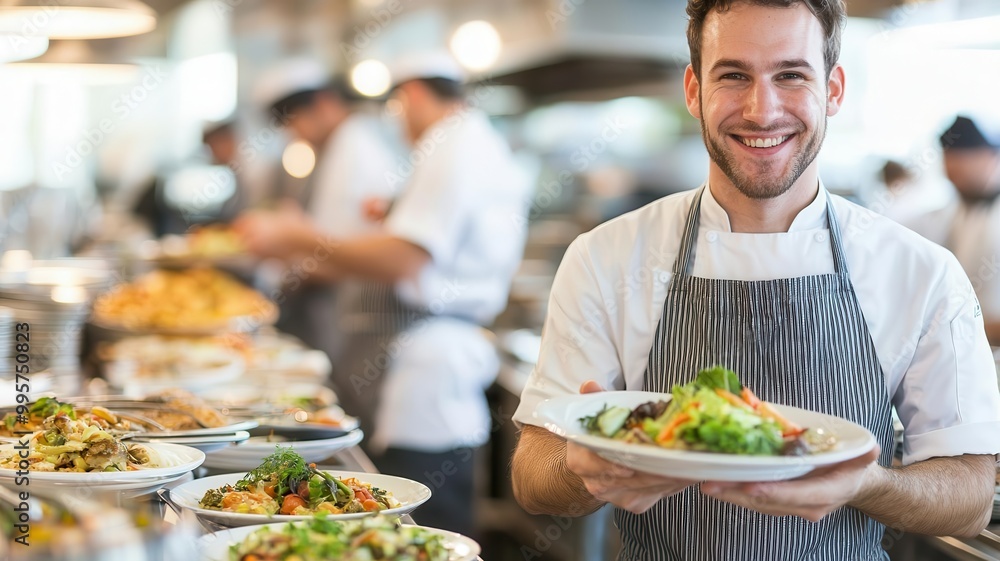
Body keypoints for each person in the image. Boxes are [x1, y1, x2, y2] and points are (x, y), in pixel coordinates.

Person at [510, 1, 1000, 560]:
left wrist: (868, 484)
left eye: (791, 75)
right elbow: (533, 473)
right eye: (733, 75)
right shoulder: (606, 256)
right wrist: (584, 471)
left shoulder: (921, 270)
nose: (761, 110)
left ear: (834, 90)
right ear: (694, 89)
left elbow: (971, 493)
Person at [235, 52, 532, 536]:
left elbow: (407, 257)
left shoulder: (455, 147)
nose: (396, 122)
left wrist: (295, 238)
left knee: (425, 526)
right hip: (423, 357)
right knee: (407, 519)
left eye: (395, 107)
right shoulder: (463, 144)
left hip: (432, 367)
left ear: (411, 95)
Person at [248, 58, 396, 360]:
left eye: (294, 122)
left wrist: (284, 242)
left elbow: (338, 256)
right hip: (343, 314)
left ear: (325, 103)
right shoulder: (340, 147)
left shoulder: (355, 151)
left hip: (355, 315)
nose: (294, 135)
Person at [905, 115, 1000, 344]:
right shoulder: (952, 212)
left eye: (960, 161)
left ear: (988, 157)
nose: (951, 171)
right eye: (948, 162)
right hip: (965, 339)